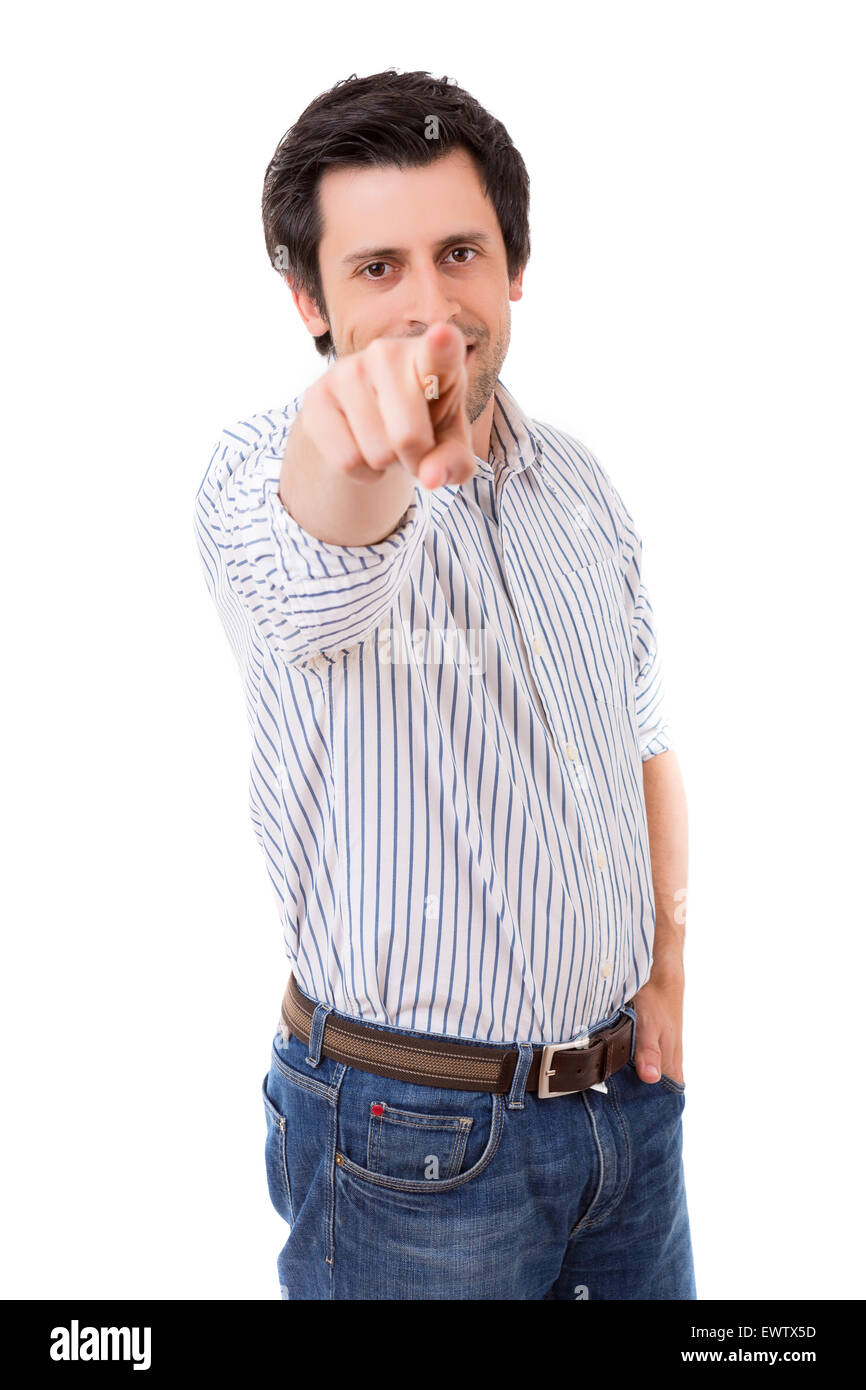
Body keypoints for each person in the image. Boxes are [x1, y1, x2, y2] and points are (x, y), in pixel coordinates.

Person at [193, 68, 695, 1301]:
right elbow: (322, 555)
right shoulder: (262, 476)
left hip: (625, 1116)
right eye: (376, 269)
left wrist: (666, 972)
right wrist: (354, 450)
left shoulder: (575, 484)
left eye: (458, 252)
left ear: (511, 265)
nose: (430, 307)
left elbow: (638, 735)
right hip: (406, 1144)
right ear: (308, 299)